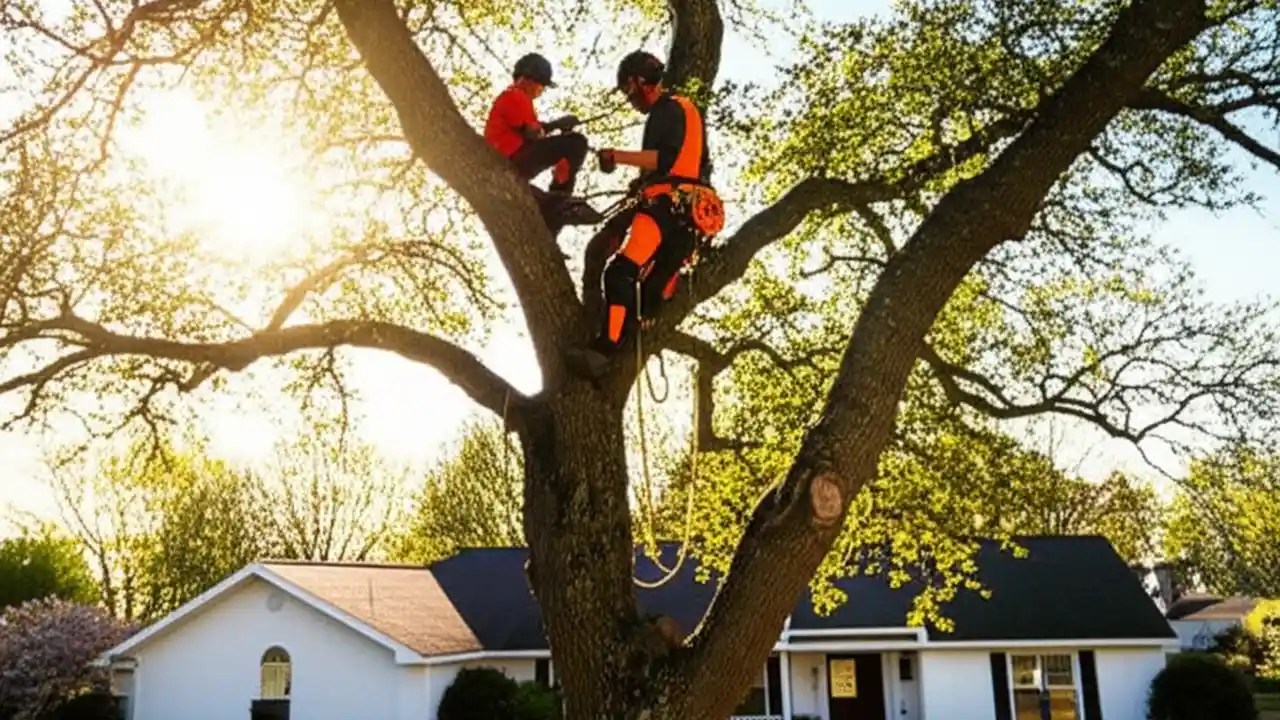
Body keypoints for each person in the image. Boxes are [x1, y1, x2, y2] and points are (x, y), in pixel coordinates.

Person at [564, 50, 724, 380]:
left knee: (619, 273)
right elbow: (691, 165)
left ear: (638, 81)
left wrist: (615, 156)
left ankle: (605, 349)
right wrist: (641, 183)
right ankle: (642, 318)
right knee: (648, 287)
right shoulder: (689, 110)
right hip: (691, 217)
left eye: (627, 91)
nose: (629, 99)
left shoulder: (665, 109)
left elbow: (663, 160)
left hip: (664, 207)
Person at [483, 52, 603, 231]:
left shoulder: (517, 99)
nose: (541, 91)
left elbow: (535, 133)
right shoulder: (514, 96)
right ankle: (559, 201)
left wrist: (553, 128)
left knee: (542, 200)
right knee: (575, 144)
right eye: (541, 86)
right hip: (510, 159)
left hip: (512, 159)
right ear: (528, 79)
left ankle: (554, 215)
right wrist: (556, 125)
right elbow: (531, 133)